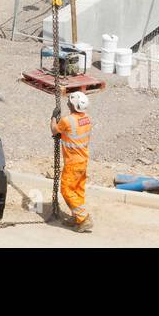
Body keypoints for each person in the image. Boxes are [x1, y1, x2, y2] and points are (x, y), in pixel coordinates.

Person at [52, 91, 93, 232]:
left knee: (66, 190)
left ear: (72, 105)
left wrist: (53, 117)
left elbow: (54, 131)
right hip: (83, 161)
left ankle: (83, 218)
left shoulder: (66, 121)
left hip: (72, 163)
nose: (68, 102)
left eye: (69, 101)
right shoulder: (87, 119)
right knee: (78, 190)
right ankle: (77, 216)